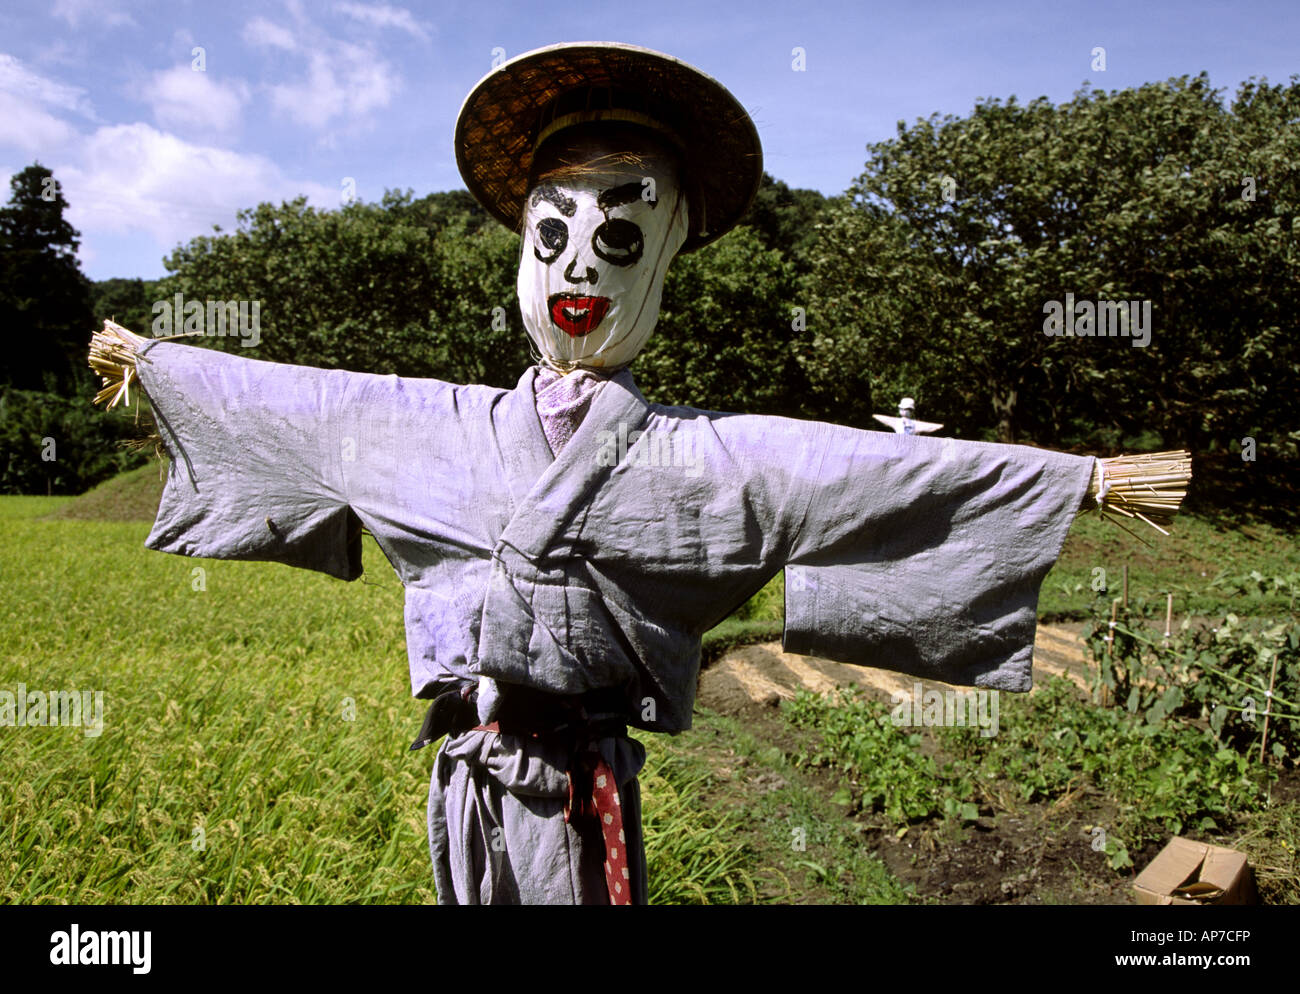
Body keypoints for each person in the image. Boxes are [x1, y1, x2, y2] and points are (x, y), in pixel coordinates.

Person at [91, 43, 1101, 904]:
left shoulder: (711, 455)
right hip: (465, 777)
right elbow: (299, 401)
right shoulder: (434, 426)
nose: (580, 263)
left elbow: (857, 474)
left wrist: (1086, 481)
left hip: (584, 784)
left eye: (617, 232)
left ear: (661, 254)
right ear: (524, 247)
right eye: (553, 228)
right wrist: (152, 360)